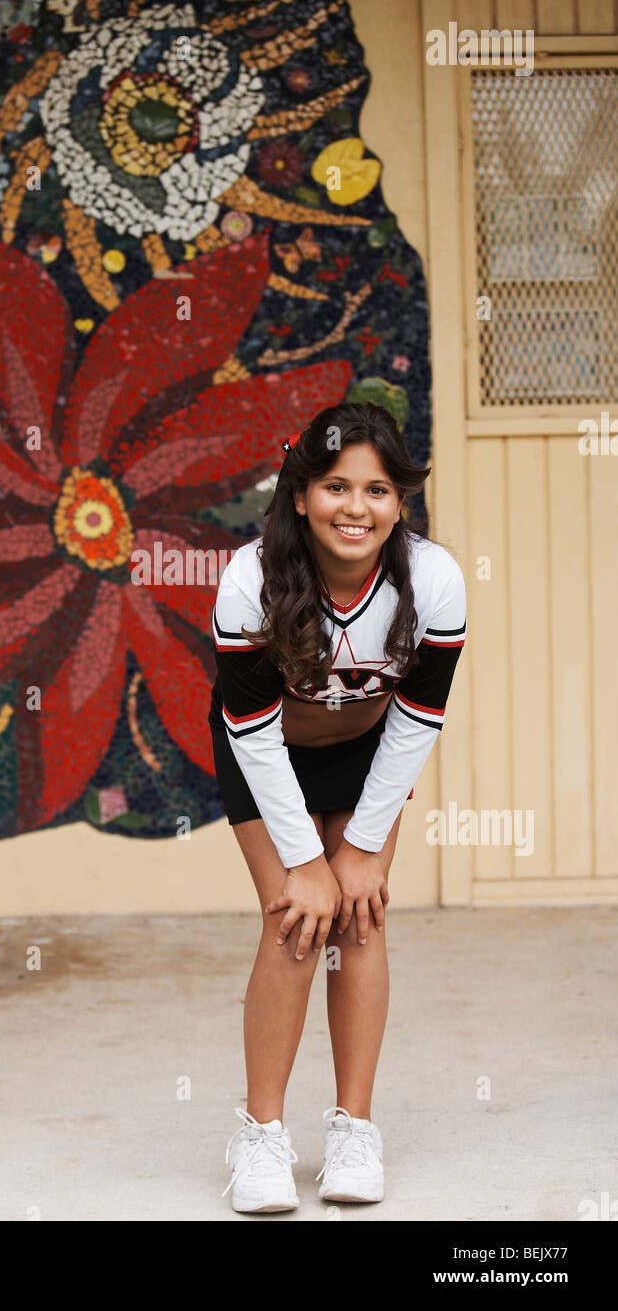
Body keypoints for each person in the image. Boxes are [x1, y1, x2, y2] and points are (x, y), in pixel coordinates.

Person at [208, 401, 466, 1213]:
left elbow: (419, 717)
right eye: (336, 486)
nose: (357, 507)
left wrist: (358, 847)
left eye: (379, 490)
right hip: (267, 756)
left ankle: (354, 1129)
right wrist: (305, 859)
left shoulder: (434, 580)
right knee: (296, 913)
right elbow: (250, 731)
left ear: (401, 502)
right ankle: (260, 1137)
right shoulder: (250, 580)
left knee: (359, 913)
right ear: (300, 495)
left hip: (368, 756)